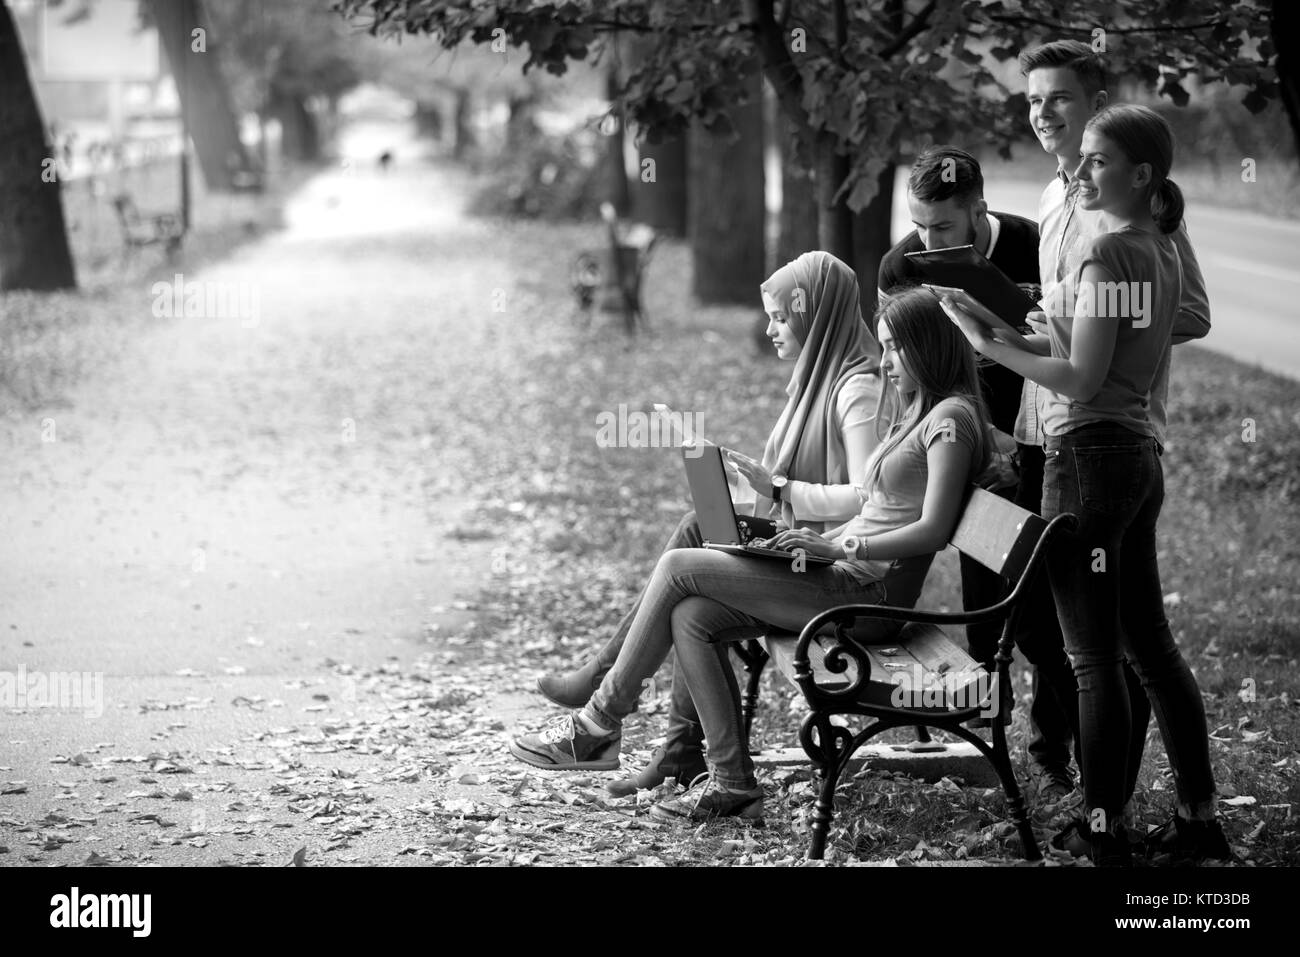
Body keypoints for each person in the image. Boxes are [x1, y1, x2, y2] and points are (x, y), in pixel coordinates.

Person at [507, 287, 991, 823]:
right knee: (692, 615)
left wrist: (837, 544)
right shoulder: (922, 411)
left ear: (929, 346)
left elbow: (931, 530)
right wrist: (798, 537)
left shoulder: (950, 420)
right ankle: (733, 784)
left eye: (897, 348)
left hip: (870, 595)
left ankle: (598, 723)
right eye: (883, 347)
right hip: (843, 571)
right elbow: (881, 507)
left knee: (678, 568)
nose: (886, 361)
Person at [939, 104, 1230, 866]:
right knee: (1153, 649)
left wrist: (982, 342)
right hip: (1136, 456)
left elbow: (1075, 376)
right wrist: (1001, 331)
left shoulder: (1106, 256)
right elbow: (1075, 345)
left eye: (1098, 162)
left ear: (1141, 175)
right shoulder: (1158, 248)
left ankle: (1103, 832)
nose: (1082, 172)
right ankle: (1199, 819)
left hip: (1087, 461)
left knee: (1093, 660)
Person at [536, 251, 891, 796]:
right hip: (814, 560)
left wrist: (780, 491)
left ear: (814, 313)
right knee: (694, 554)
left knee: (682, 569)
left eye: (780, 317)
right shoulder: (818, 380)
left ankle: (599, 716)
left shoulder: (855, 389)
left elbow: (866, 496)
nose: (770, 329)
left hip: (849, 585)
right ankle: (693, 760)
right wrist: (751, 488)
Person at [877, 147, 1083, 809]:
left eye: (942, 228)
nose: (926, 241)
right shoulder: (900, 265)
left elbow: (1070, 338)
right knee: (989, 617)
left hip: (1039, 439)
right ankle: (987, 742)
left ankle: (1055, 754)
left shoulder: (1032, 245)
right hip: (967, 453)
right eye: (919, 225)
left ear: (979, 210)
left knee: (1043, 616)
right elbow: (904, 365)